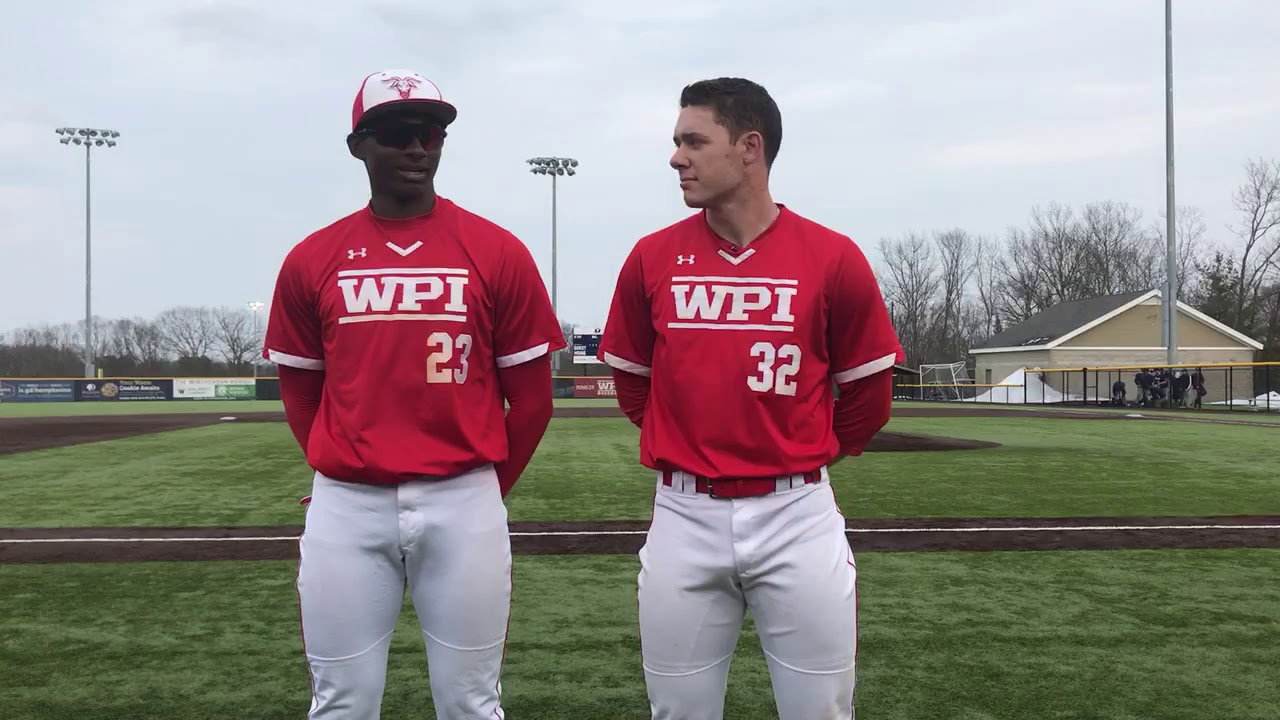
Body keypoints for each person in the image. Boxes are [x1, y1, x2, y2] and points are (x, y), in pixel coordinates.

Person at [261, 69, 565, 719]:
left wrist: (481, 489)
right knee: (342, 702)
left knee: (471, 704)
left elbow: (534, 401)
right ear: (358, 146)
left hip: (464, 497)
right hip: (347, 507)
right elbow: (301, 393)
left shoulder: (497, 250)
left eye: (430, 132)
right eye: (397, 134)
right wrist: (344, 464)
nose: (417, 148)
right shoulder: (314, 258)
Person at [598, 77, 904, 720]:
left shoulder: (831, 257)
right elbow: (633, 383)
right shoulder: (652, 257)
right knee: (677, 712)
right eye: (676, 141)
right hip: (684, 513)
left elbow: (870, 399)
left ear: (749, 148)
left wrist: (797, 450)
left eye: (693, 141)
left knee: (821, 711)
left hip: (797, 514)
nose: (676, 157)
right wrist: (688, 439)